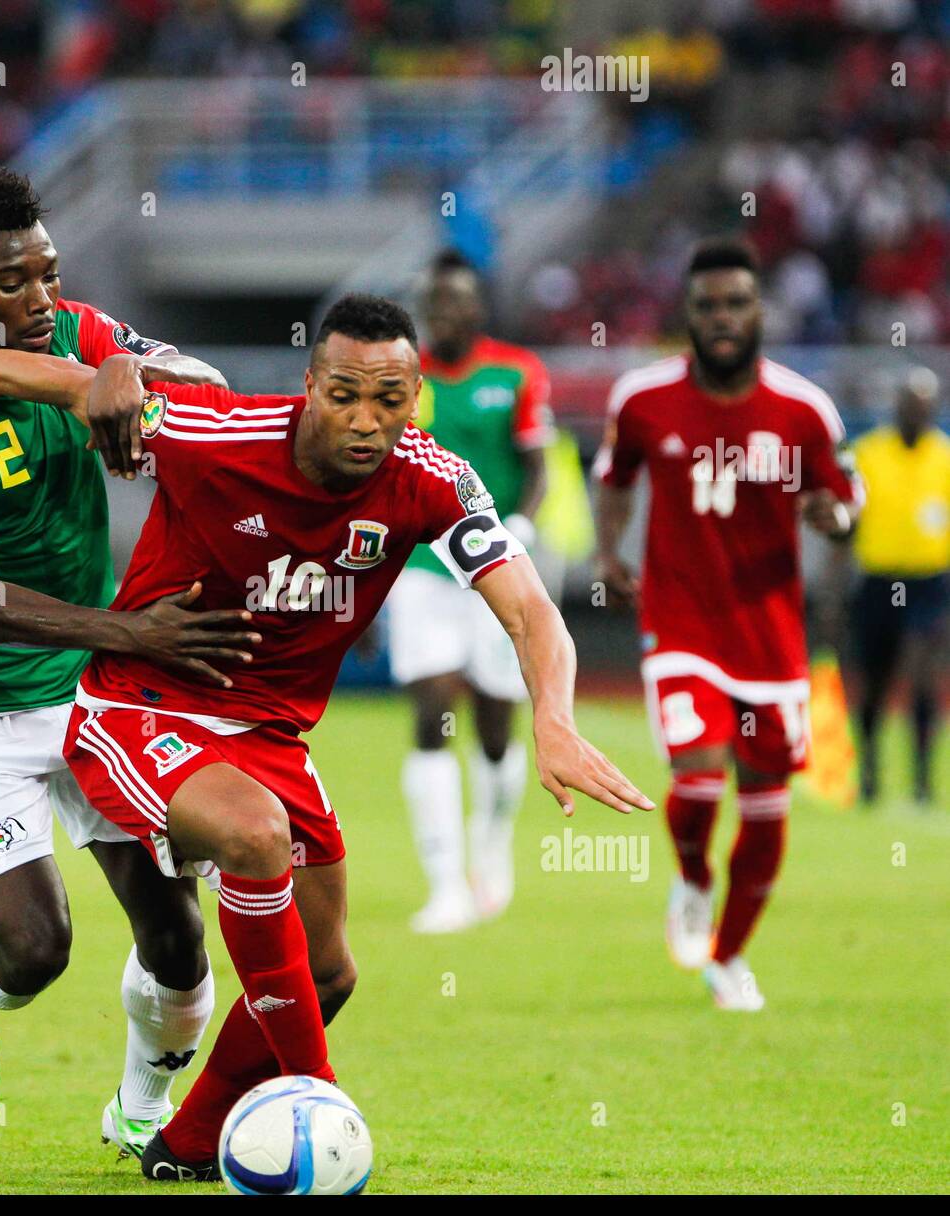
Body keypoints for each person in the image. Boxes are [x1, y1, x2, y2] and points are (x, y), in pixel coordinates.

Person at [0, 292, 654, 1182]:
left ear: (416, 398)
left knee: (330, 969)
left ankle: (184, 1144)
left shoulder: (436, 480)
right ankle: (318, 1097)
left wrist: (554, 717)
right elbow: (72, 385)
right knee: (252, 836)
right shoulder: (214, 431)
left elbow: (534, 610)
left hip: (270, 736)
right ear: (308, 386)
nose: (365, 421)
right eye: (344, 394)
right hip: (141, 707)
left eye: (390, 400)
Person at [0, 166, 244, 1156]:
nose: (40, 302)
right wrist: (137, 634)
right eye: (11, 285)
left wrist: (127, 377)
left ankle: (142, 1118)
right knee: (37, 949)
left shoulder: (83, 331)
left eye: (48, 275)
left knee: (179, 944)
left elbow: (202, 384)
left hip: (91, 697)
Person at [594, 238, 861, 1012]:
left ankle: (730, 956)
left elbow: (847, 504)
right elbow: (614, 479)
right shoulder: (643, 400)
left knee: (767, 808)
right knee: (701, 777)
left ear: (759, 311)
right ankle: (693, 877)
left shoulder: (804, 410)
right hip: (679, 621)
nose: (721, 317)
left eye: (735, 303)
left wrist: (832, 518)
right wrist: (610, 553)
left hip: (770, 634)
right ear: (688, 313)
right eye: (707, 304)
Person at [387, 249, 554, 932]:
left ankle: (492, 840)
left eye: (456, 302)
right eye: (434, 305)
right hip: (422, 567)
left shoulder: (516, 372)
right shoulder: (403, 378)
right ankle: (446, 884)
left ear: (478, 308)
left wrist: (520, 524)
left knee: (492, 724)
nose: (444, 315)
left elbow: (538, 466)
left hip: (494, 566)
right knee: (432, 713)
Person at [849, 367, 949, 805]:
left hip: (929, 583)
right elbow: (846, 526)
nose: (918, 414)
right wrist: (834, 590)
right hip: (879, 582)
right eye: (912, 405)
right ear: (898, 407)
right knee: (875, 679)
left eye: (926, 407)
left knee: (924, 676)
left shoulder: (945, 457)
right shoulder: (869, 454)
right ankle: (869, 771)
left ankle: (923, 782)